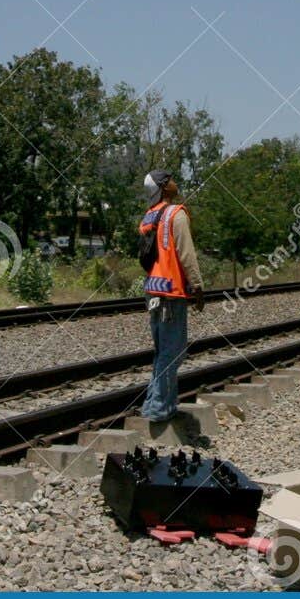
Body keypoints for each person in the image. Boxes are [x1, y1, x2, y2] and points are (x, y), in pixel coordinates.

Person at [137, 170, 203, 423]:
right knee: (173, 352)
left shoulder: (149, 216)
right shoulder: (176, 214)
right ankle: (159, 409)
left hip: (152, 290)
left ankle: (154, 404)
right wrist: (197, 287)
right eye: (171, 180)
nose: (176, 183)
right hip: (171, 292)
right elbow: (186, 254)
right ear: (164, 187)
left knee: (162, 351)